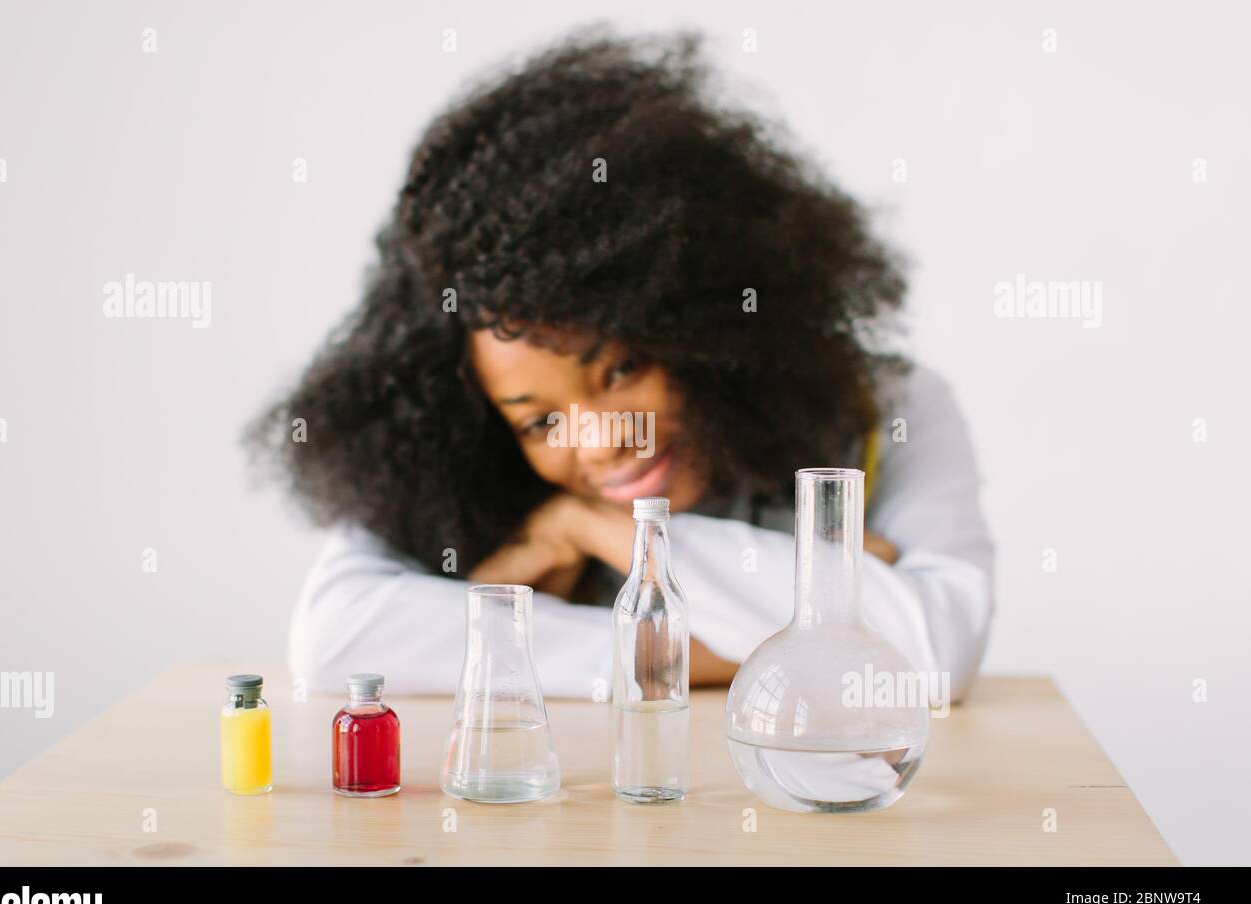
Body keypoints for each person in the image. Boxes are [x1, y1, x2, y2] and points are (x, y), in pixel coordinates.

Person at [247, 32, 994, 702]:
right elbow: (337, 641)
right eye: (539, 421)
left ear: (700, 322)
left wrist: (605, 531)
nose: (603, 441)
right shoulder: (445, 480)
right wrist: (799, 638)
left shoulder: (893, 406)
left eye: (620, 370)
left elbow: (935, 650)